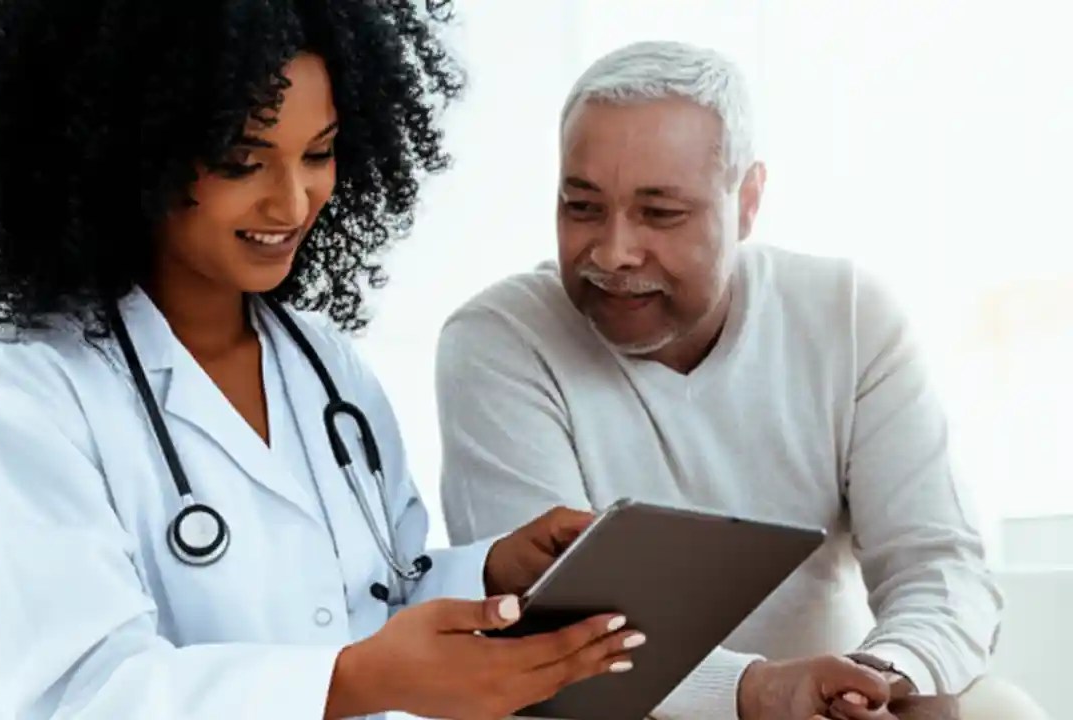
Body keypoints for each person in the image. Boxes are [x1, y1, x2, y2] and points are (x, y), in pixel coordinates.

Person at [0, 2, 649, 718]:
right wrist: (351, 682)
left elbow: (377, 595)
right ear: (129, 154)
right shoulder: (32, 390)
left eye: (319, 154)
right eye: (242, 162)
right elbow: (84, 693)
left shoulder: (325, 368)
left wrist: (491, 572)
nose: (293, 202)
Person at [436, 41, 1048, 720]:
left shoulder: (847, 315)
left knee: (1001, 709)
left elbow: (940, 565)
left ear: (747, 200)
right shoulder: (499, 340)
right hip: (616, 711)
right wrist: (756, 693)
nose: (612, 252)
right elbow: (551, 624)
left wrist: (883, 677)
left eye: (660, 213)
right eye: (582, 207)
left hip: (834, 700)